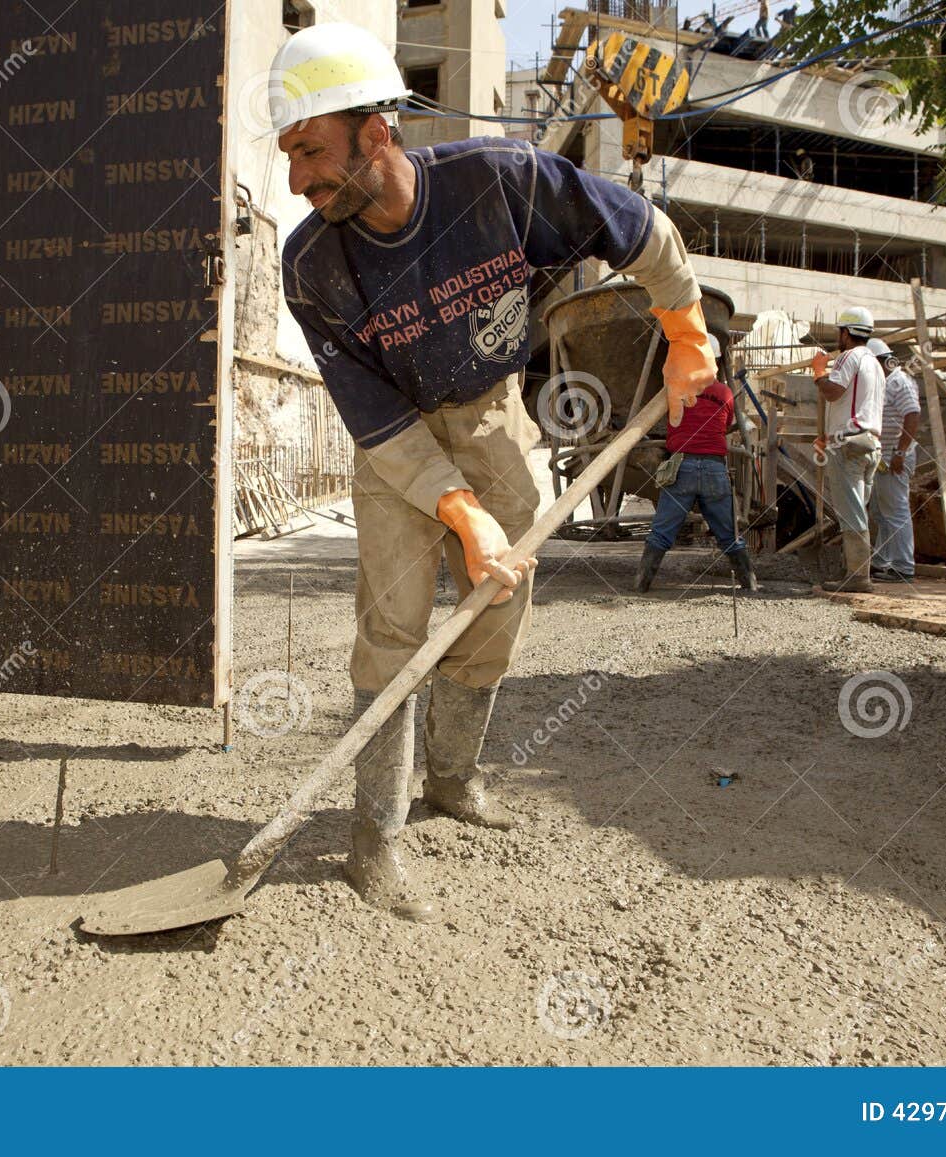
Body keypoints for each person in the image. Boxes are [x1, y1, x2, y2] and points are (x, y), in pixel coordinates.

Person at [270, 23, 716, 921]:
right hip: (395, 436)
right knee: (394, 626)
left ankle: (452, 780)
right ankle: (374, 840)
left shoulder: (502, 184)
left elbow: (645, 231)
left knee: (503, 591)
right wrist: (458, 509)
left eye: (311, 149)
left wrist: (686, 334)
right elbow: (377, 421)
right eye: (286, 154)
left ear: (377, 130)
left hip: (490, 406)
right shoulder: (312, 265)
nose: (296, 180)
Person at [634, 341, 759, 593]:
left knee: (661, 532)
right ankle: (750, 585)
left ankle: (640, 586)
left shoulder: (676, 386)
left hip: (683, 466)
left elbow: (663, 415)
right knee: (729, 535)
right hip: (715, 468)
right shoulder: (724, 392)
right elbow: (724, 425)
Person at [809, 306, 885, 593]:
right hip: (868, 443)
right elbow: (858, 406)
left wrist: (819, 374)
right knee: (860, 510)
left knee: (851, 513)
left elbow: (833, 392)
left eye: (839, 332)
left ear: (846, 333)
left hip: (849, 445)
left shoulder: (848, 357)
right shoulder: (874, 363)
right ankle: (857, 572)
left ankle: (858, 578)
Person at [867, 338, 921, 582]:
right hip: (885, 456)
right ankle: (882, 561)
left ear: (881, 361)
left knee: (896, 511)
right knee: (881, 511)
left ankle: (903, 567)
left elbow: (912, 416)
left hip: (895, 457)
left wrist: (899, 452)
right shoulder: (888, 382)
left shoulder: (899, 382)